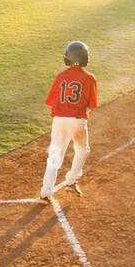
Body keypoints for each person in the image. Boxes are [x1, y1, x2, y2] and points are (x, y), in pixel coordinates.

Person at [39, 40, 97, 202]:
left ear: (67, 58)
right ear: (85, 58)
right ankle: (71, 181)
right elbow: (91, 105)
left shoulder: (61, 76)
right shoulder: (90, 78)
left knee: (55, 156)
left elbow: (51, 101)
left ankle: (45, 192)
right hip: (78, 121)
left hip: (59, 121)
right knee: (82, 150)